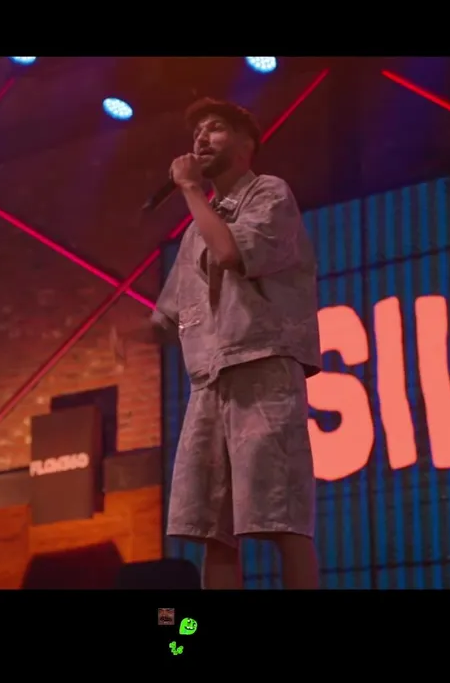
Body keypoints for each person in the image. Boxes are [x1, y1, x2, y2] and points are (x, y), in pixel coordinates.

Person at [153, 98, 322, 589]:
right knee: (214, 530)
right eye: (197, 132)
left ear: (247, 144)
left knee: (282, 518)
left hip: (262, 367)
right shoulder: (196, 229)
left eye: (215, 128)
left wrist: (190, 188)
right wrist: (134, 332)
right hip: (209, 381)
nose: (201, 139)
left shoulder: (270, 193)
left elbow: (230, 252)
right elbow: (168, 315)